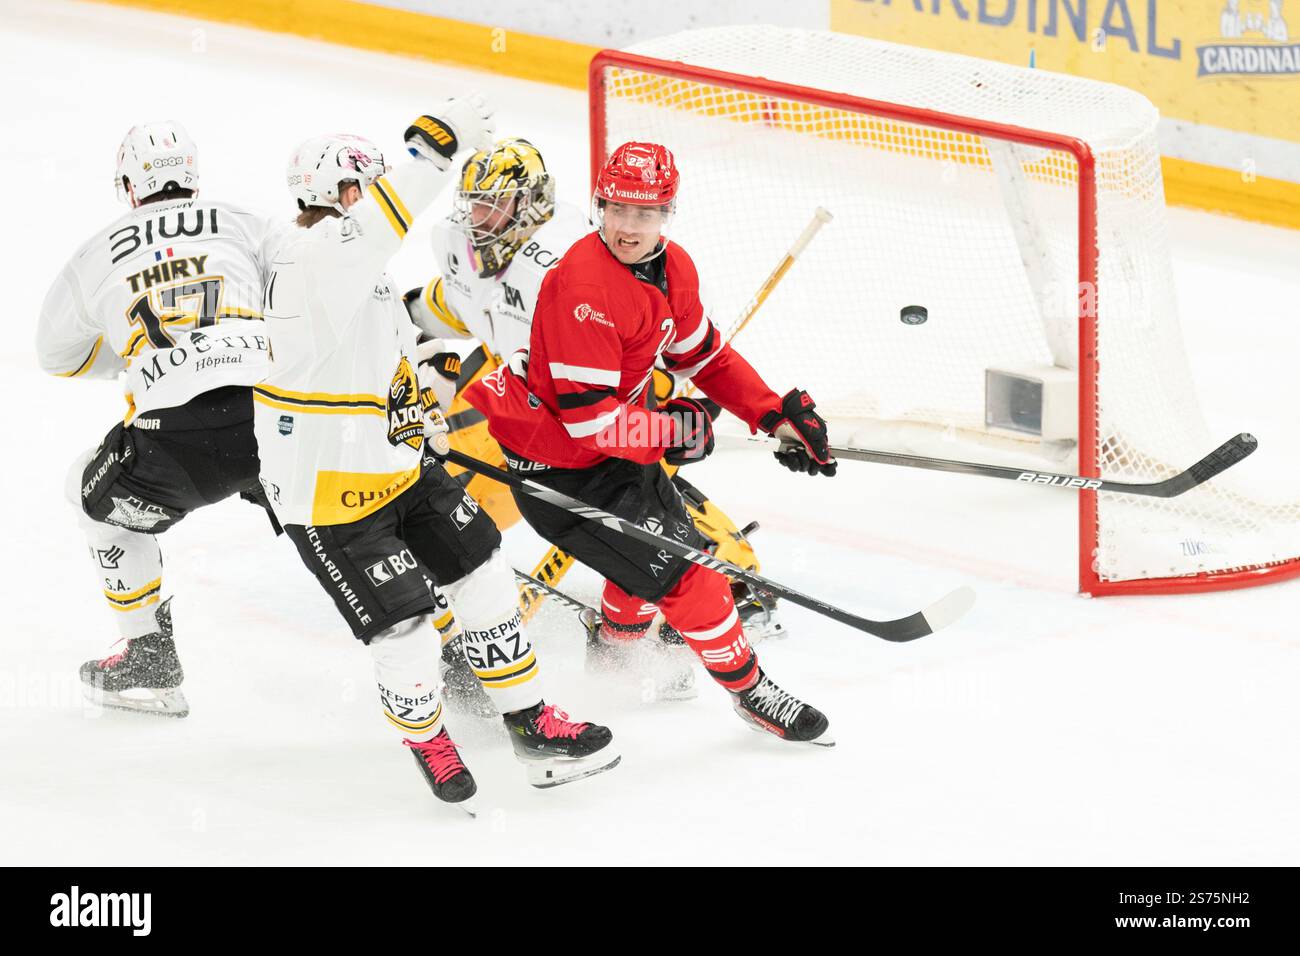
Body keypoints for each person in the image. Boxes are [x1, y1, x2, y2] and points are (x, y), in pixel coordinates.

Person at [255, 99, 617, 808]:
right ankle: (431, 740)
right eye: (369, 184)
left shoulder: (357, 271)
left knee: (483, 580)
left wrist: (428, 376)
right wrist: (434, 148)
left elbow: (384, 345)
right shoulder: (309, 257)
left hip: (400, 466)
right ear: (343, 194)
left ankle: (531, 721)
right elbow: (382, 225)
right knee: (407, 631)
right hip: (331, 494)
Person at [463, 141, 837, 746]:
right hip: (560, 474)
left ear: (667, 214)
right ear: (600, 205)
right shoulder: (583, 288)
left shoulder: (674, 267)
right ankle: (751, 693)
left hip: (613, 455)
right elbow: (590, 424)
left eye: (644, 213)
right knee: (695, 577)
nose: (628, 227)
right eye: (617, 210)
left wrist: (773, 415)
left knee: (650, 567)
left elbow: (702, 355)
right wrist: (675, 430)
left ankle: (614, 666)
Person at [404, 138, 784, 705]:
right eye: (473, 202)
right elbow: (450, 305)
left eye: (495, 204)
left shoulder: (560, 269)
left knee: (648, 482)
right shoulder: (467, 248)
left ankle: (723, 563)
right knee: (446, 511)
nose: (479, 216)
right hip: (530, 413)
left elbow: (647, 359)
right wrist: (389, 327)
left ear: (530, 206)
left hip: (602, 399)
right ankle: (478, 627)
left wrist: (688, 420)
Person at [37, 121, 278, 718]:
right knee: (346, 514)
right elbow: (304, 299)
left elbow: (56, 354)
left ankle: (148, 653)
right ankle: (453, 632)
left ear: (127, 186)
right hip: (277, 421)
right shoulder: (246, 222)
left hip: (177, 449)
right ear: (193, 177)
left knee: (88, 495)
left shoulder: (97, 250)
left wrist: (144, 356)